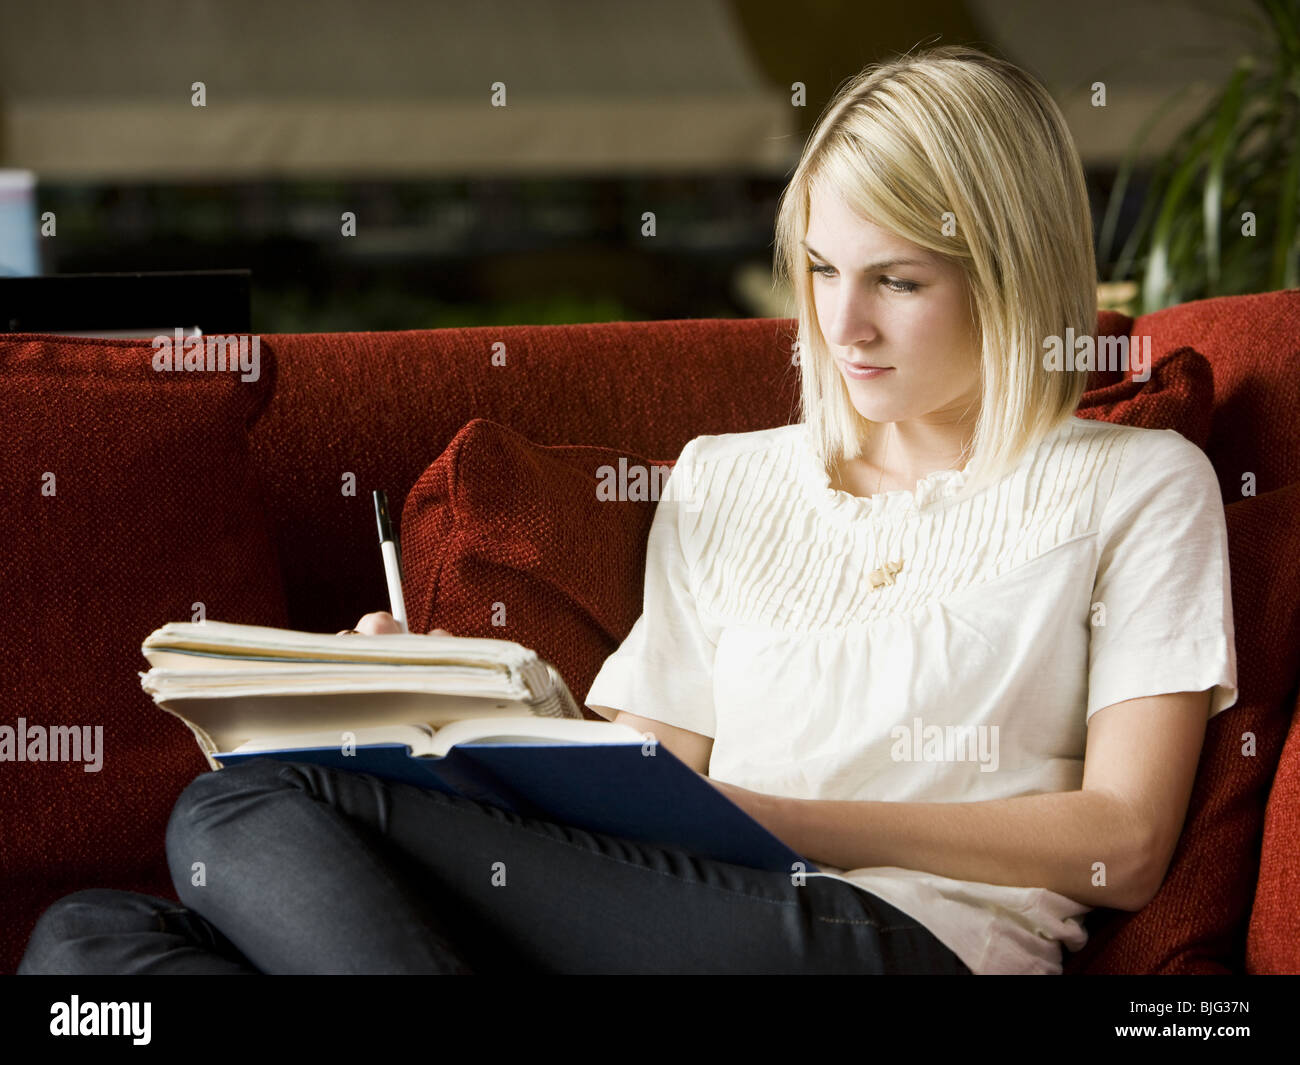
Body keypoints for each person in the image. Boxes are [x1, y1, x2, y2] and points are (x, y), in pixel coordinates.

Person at [18, 44, 1235, 976]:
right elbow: (634, 783)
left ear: (1013, 275)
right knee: (90, 947)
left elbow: (1121, 845)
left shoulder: (1134, 486)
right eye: (819, 268)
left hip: (888, 943)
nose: (841, 323)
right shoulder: (727, 476)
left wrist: (778, 825)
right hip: (676, 915)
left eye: (897, 282)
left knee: (240, 807)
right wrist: (421, 715)